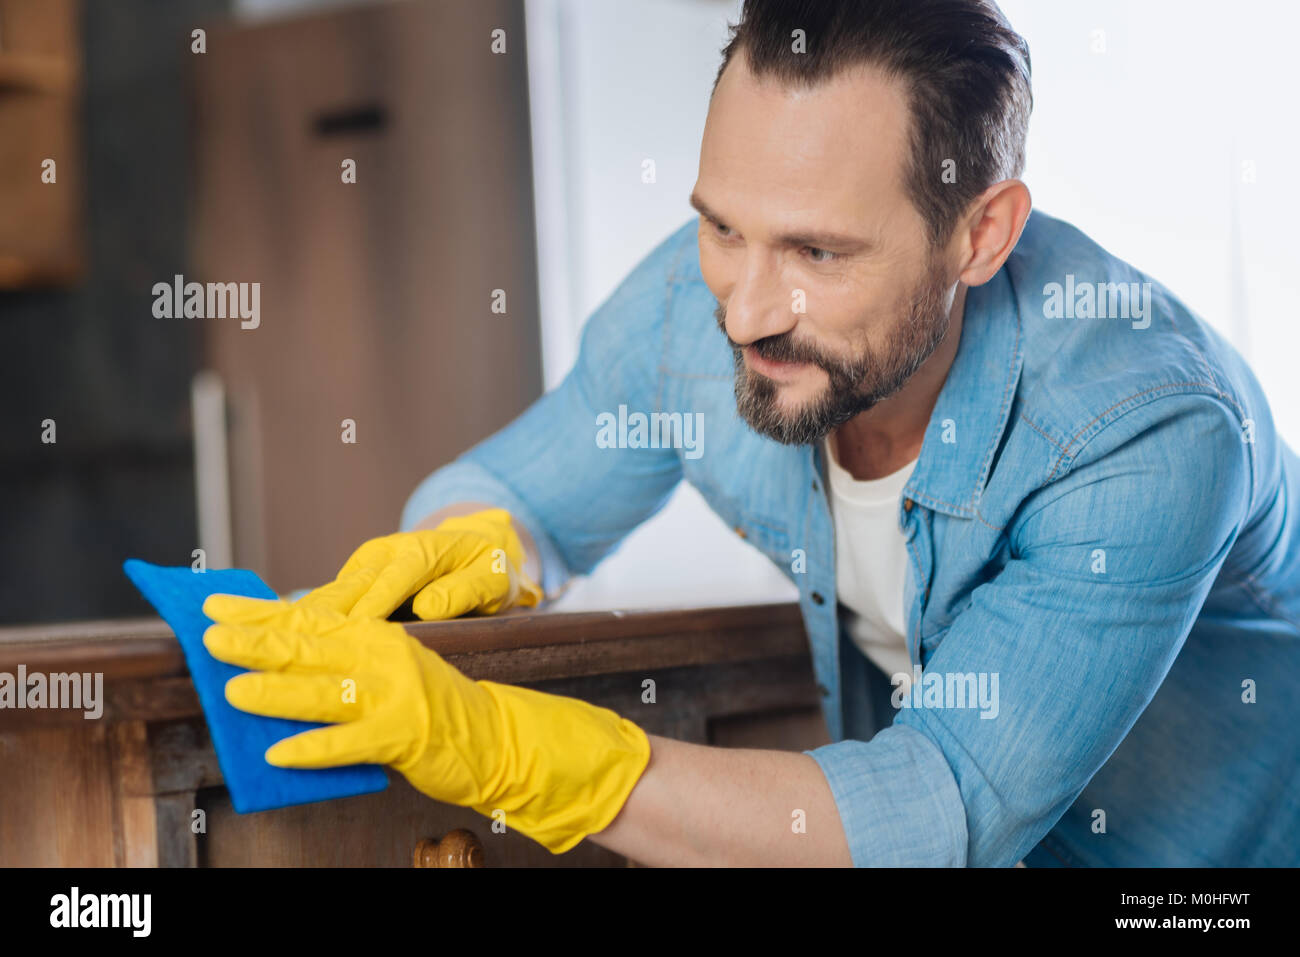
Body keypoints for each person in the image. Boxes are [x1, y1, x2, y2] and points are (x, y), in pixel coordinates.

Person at [201, 0, 1300, 866]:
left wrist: (513, 757)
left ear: (980, 237)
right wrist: (475, 535)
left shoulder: (1145, 432)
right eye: (723, 225)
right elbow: (533, 488)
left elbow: (935, 815)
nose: (743, 311)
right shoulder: (698, 304)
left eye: (819, 254)